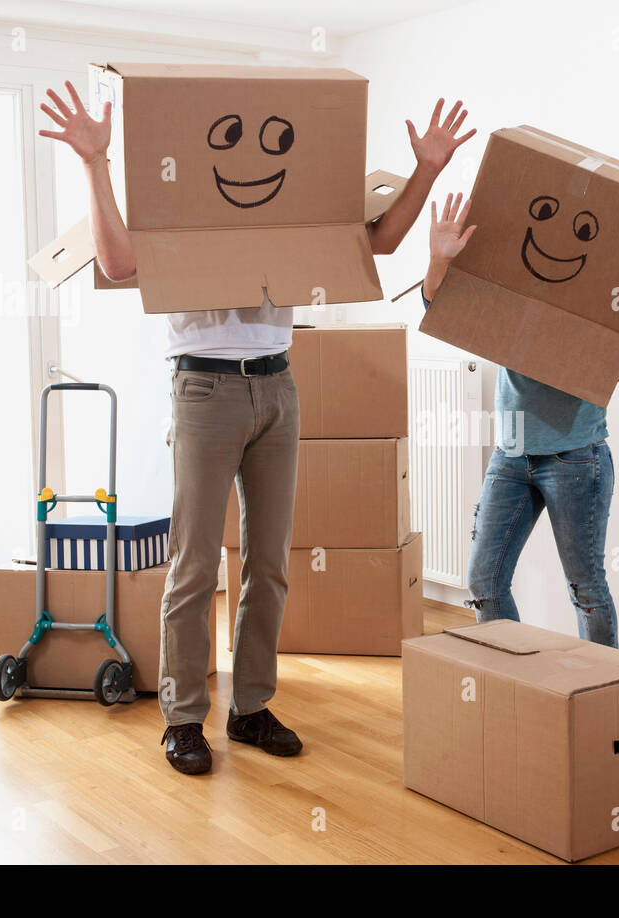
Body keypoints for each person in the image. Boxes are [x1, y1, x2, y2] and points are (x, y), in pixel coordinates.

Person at [40, 82, 475, 774]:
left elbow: (378, 242)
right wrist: (96, 161)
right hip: (205, 387)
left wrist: (428, 168)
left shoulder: (291, 204)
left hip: (279, 383)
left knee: (270, 563)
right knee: (195, 564)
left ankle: (249, 707)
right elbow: (120, 263)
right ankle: (184, 718)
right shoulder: (178, 206)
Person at [420, 192, 619, 648]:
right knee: (484, 582)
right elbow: (443, 307)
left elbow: (594, 372)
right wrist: (438, 260)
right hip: (511, 455)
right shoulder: (509, 291)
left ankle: (601, 699)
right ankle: (513, 679)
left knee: (586, 589)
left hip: (575, 458)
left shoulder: (600, 299)